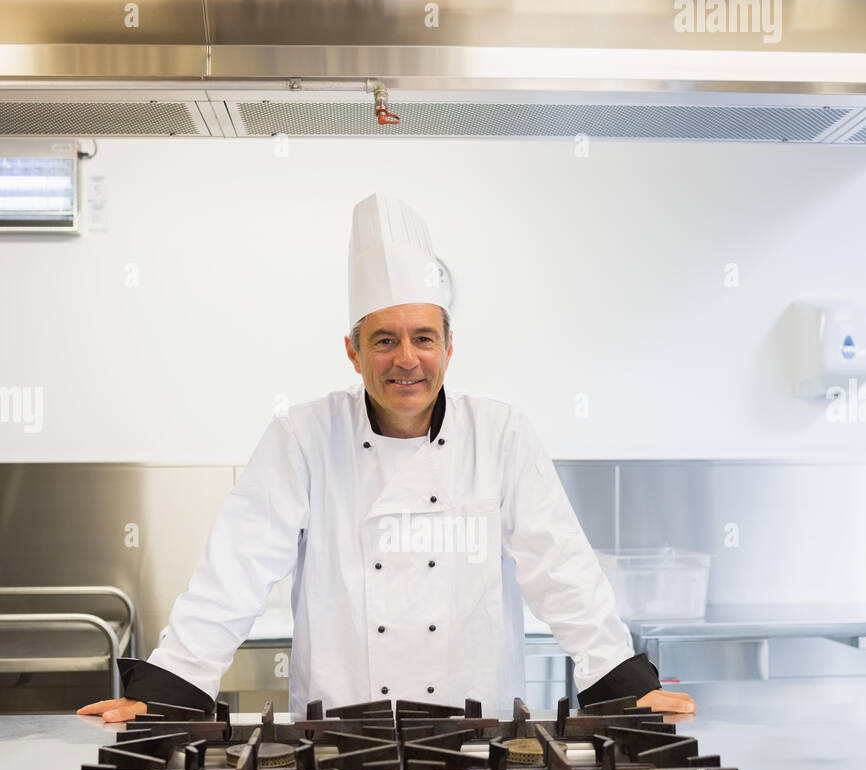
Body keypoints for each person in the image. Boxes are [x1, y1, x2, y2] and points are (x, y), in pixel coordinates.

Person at [79, 192, 695, 724]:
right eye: (385, 340)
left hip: (478, 744)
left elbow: (560, 568)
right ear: (352, 352)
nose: (407, 359)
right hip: (339, 742)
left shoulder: (501, 435)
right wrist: (168, 692)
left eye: (423, 338)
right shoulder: (304, 436)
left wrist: (624, 686)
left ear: (449, 348)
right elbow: (233, 572)